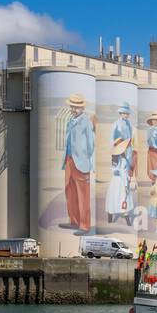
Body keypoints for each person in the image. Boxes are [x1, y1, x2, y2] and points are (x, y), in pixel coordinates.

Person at [61, 93, 95, 233]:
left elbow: (91, 144)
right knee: (70, 191)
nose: (74, 109)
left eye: (76, 107)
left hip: (81, 162)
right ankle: (74, 221)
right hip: (69, 160)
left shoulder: (86, 121)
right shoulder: (70, 121)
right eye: (72, 106)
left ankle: (84, 225)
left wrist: (86, 159)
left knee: (83, 195)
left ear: (82, 108)